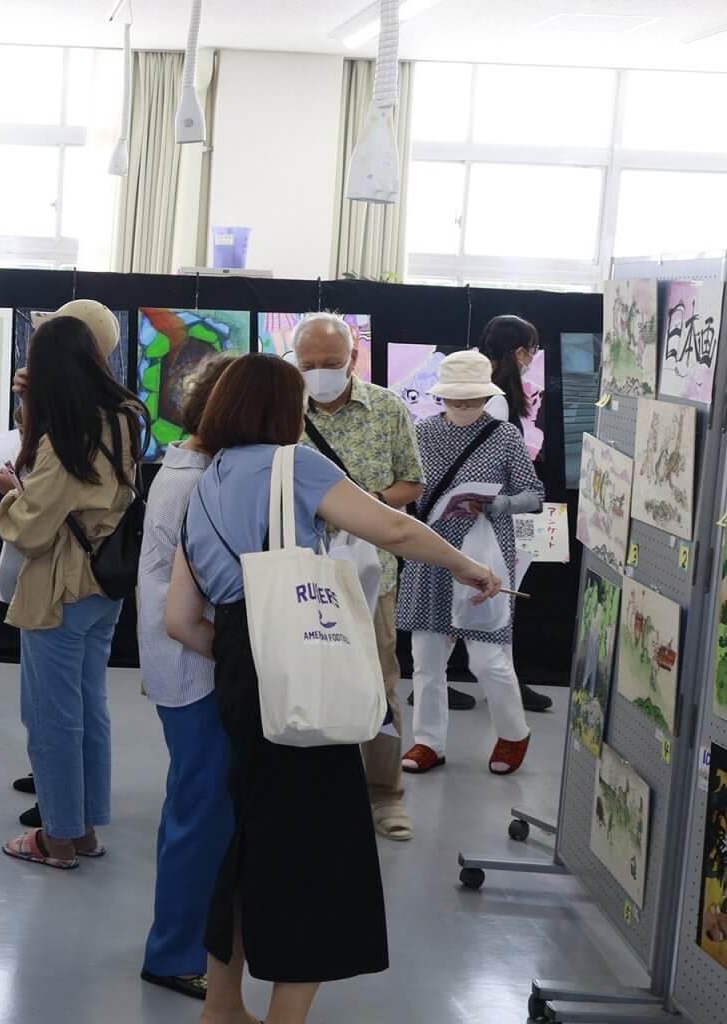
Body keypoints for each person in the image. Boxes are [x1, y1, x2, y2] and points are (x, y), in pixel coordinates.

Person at [164, 353, 499, 1024]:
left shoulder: (205, 480)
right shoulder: (297, 465)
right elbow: (395, 527)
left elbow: (179, 619)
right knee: (324, 845)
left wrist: (245, 654)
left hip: (237, 666)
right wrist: (468, 567)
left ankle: (222, 1007)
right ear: (283, 410)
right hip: (303, 672)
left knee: (250, 836)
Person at [0, 311, 145, 871]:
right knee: (90, 708)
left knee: (51, 715)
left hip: (60, 587)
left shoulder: (67, 438)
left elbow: (31, 530)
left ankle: (56, 838)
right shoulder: (125, 419)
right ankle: (83, 829)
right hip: (106, 584)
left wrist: (11, 493)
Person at [290, 312, 424, 842]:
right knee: (299, 680)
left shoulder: (387, 408)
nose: (319, 373)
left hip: (372, 573)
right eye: (308, 365)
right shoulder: (282, 409)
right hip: (300, 570)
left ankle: (385, 794)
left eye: (330, 363)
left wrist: (362, 507)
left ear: (353, 358)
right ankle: (309, 792)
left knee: (379, 682)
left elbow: (411, 482)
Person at [137, 355, 237, 1000]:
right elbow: (189, 606)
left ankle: (185, 937)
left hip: (186, 660)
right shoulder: (197, 481)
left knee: (197, 806)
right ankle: (174, 952)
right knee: (200, 813)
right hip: (194, 665)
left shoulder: (191, 468)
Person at [398, 350, 544, 777]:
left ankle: (513, 731)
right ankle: (429, 741)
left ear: (485, 396)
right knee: (425, 659)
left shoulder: (503, 436)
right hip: (429, 553)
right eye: (454, 399)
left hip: (482, 555)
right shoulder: (421, 432)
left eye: (470, 399)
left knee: (487, 659)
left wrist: (497, 504)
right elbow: (408, 488)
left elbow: (533, 494)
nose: (461, 406)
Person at [476, 314, 553, 714]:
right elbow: (489, 465)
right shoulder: (497, 399)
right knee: (494, 597)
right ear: (520, 352)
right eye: (532, 350)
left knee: (486, 597)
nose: (533, 358)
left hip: (489, 512)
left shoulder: (491, 392)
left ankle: (502, 680)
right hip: (490, 516)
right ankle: (504, 684)